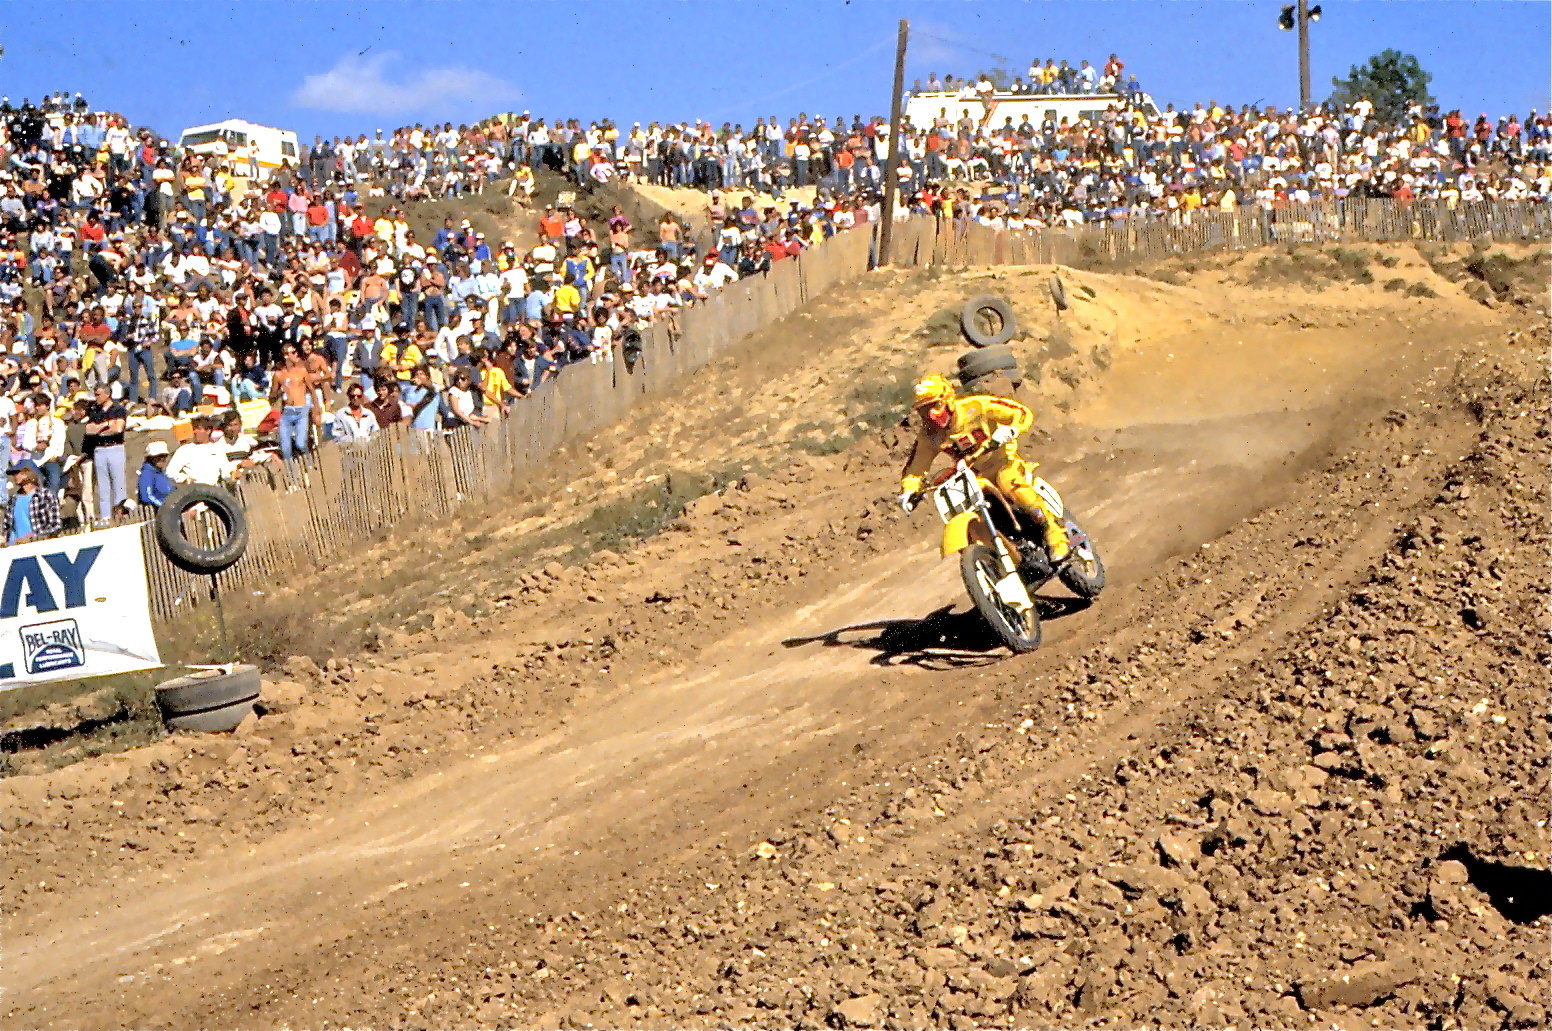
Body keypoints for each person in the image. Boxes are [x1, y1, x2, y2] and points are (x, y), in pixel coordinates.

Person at [897, 375, 1067, 561]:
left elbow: (1020, 412)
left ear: (948, 401)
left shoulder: (976, 406)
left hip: (1003, 461)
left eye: (934, 406)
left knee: (1012, 485)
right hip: (974, 475)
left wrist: (1010, 430)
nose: (930, 416)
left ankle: (1056, 537)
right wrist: (909, 491)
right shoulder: (928, 436)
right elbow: (914, 469)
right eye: (923, 411)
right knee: (969, 508)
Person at [81, 384, 127, 525]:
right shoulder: (95, 412)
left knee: (118, 483)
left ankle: (120, 513)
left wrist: (99, 429)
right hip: (99, 449)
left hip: (115, 448)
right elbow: (89, 430)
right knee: (103, 485)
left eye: (98, 394)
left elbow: (117, 429)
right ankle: (105, 516)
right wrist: (106, 425)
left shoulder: (118, 409)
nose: (96, 398)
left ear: (107, 394)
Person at [269, 344, 312, 466]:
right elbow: (271, 397)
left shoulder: (302, 371)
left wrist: (316, 411)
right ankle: (291, 474)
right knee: (285, 449)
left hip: (301, 410)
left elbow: (312, 390)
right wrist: (280, 391)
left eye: (296, 352)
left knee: (300, 443)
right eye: (293, 352)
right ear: (285, 356)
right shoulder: (278, 375)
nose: (296, 354)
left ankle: (309, 464)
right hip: (287, 412)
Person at [3, 464, 60, 545]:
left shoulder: (45, 495)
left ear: (28, 474)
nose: (14, 476)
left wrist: (33, 537)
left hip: (36, 548)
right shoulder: (12, 500)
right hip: (13, 550)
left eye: (17, 473)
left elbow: (55, 526)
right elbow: (7, 528)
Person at [137, 439, 175, 507]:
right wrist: (164, 507)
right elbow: (147, 497)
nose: (162, 459)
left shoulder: (161, 474)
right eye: (158, 457)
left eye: (164, 456)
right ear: (150, 458)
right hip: (157, 512)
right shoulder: (147, 474)